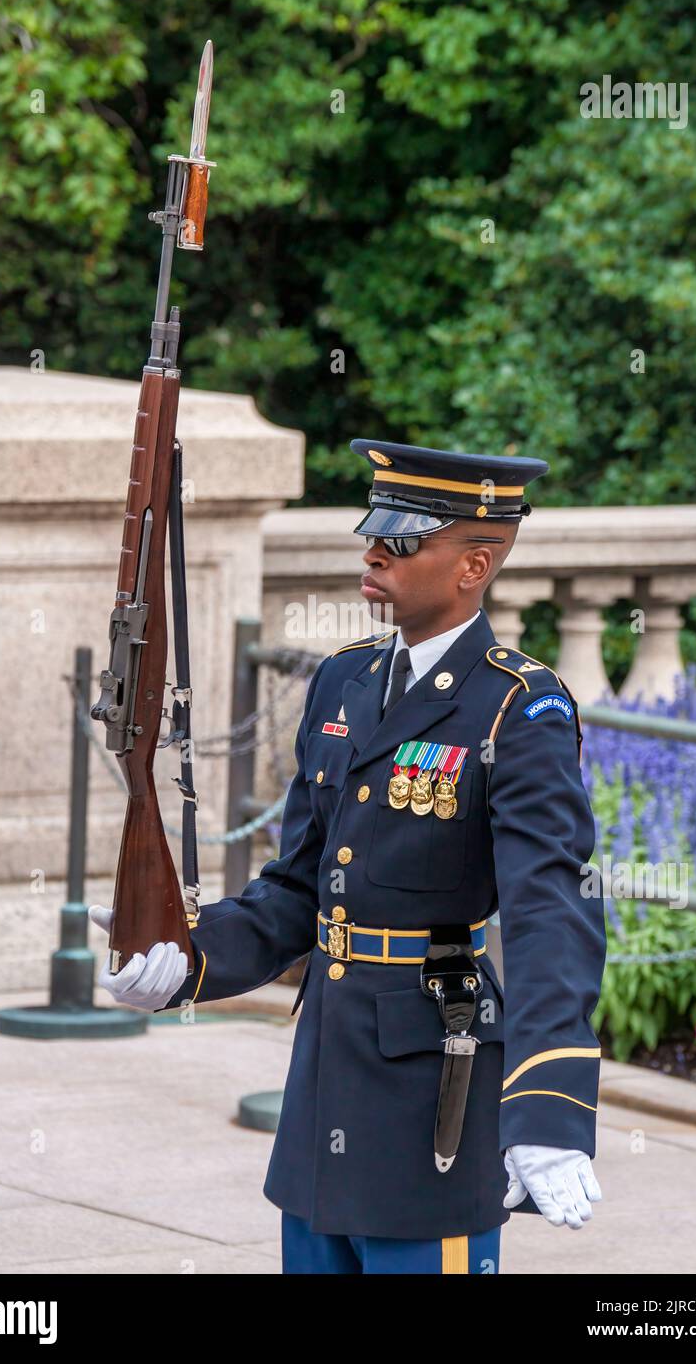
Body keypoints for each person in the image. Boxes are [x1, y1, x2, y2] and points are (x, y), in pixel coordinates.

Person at [90, 439, 607, 1275]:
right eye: (374, 531)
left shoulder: (520, 706)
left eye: (402, 541)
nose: (374, 552)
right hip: (325, 1081)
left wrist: (549, 1106)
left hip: (433, 1086)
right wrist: (182, 954)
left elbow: (552, 909)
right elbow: (297, 889)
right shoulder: (345, 682)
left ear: (475, 564)